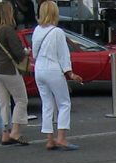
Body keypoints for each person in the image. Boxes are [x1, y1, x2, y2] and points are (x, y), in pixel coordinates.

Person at [32, 0, 83, 151]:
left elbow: (34, 53)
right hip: (53, 70)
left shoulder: (36, 30)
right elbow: (63, 55)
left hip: (39, 69)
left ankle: (49, 139)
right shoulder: (57, 32)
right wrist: (70, 73)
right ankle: (61, 137)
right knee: (64, 103)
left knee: (47, 104)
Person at [0, 0, 29, 146]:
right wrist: (26, 52)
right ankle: (16, 132)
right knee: (21, 99)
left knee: (3, 102)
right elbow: (18, 53)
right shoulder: (8, 30)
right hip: (9, 68)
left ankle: (5, 133)